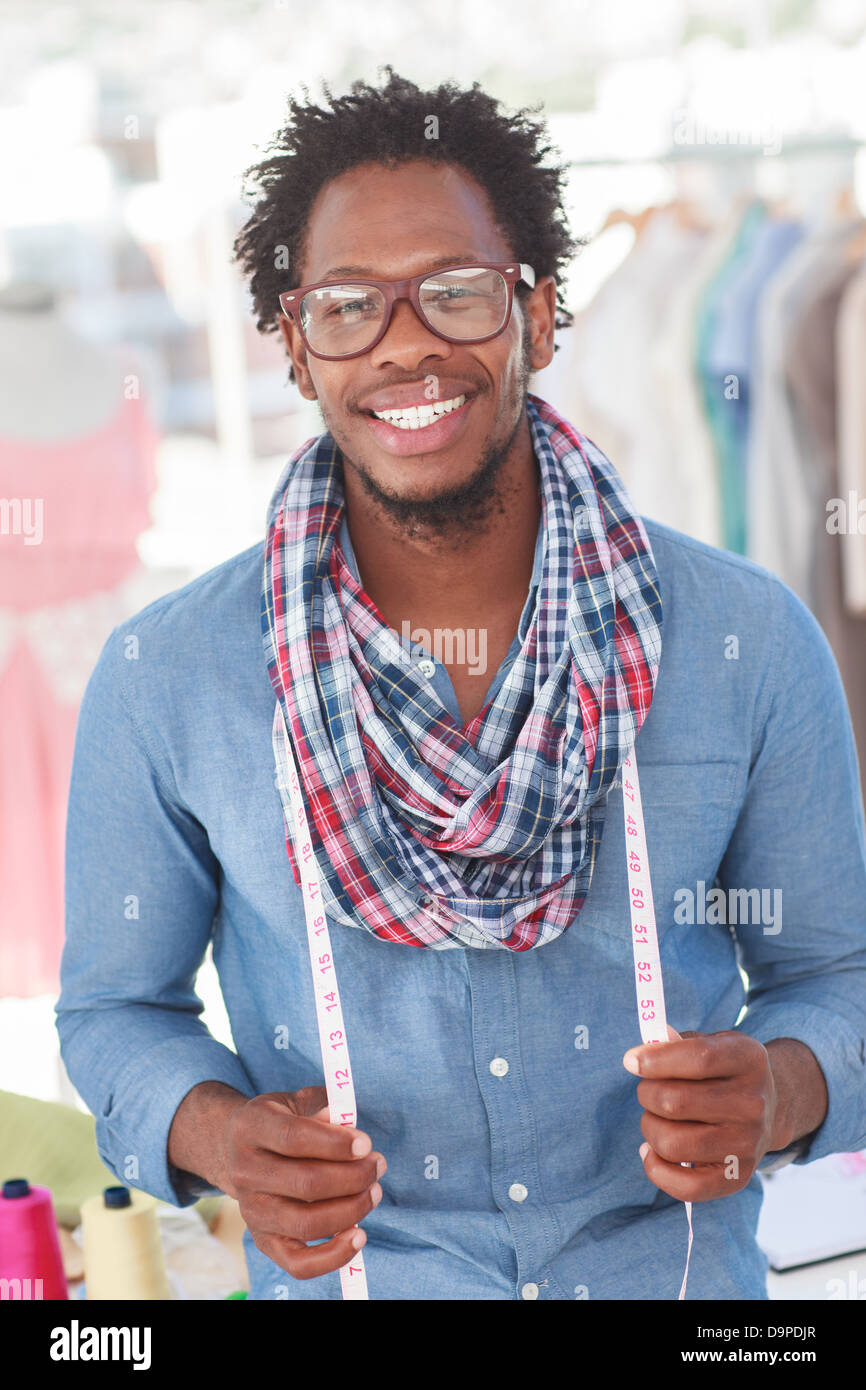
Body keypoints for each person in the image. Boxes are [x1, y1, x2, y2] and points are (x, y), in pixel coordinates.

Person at [57, 69, 866, 1302]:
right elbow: (114, 1009)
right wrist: (218, 1134)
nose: (404, 343)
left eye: (455, 291)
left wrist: (784, 1086)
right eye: (345, 306)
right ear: (292, 345)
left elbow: (837, 974)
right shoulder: (169, 678)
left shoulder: (740, 639)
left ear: (537, 315)